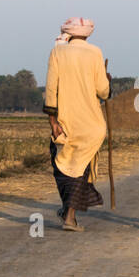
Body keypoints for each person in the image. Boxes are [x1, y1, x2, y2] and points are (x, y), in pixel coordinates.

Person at [43, 18, 110, 231]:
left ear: (68, 34)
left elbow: (51, 90)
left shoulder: (57, 53)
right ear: (88, 34)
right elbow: (103, 91)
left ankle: (69, 215)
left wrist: (53, 122)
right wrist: (107, 80)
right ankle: (68, 213)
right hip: (93, 124)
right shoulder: (95, 53)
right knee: (81, 166)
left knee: (63, 165)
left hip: (65, 122)